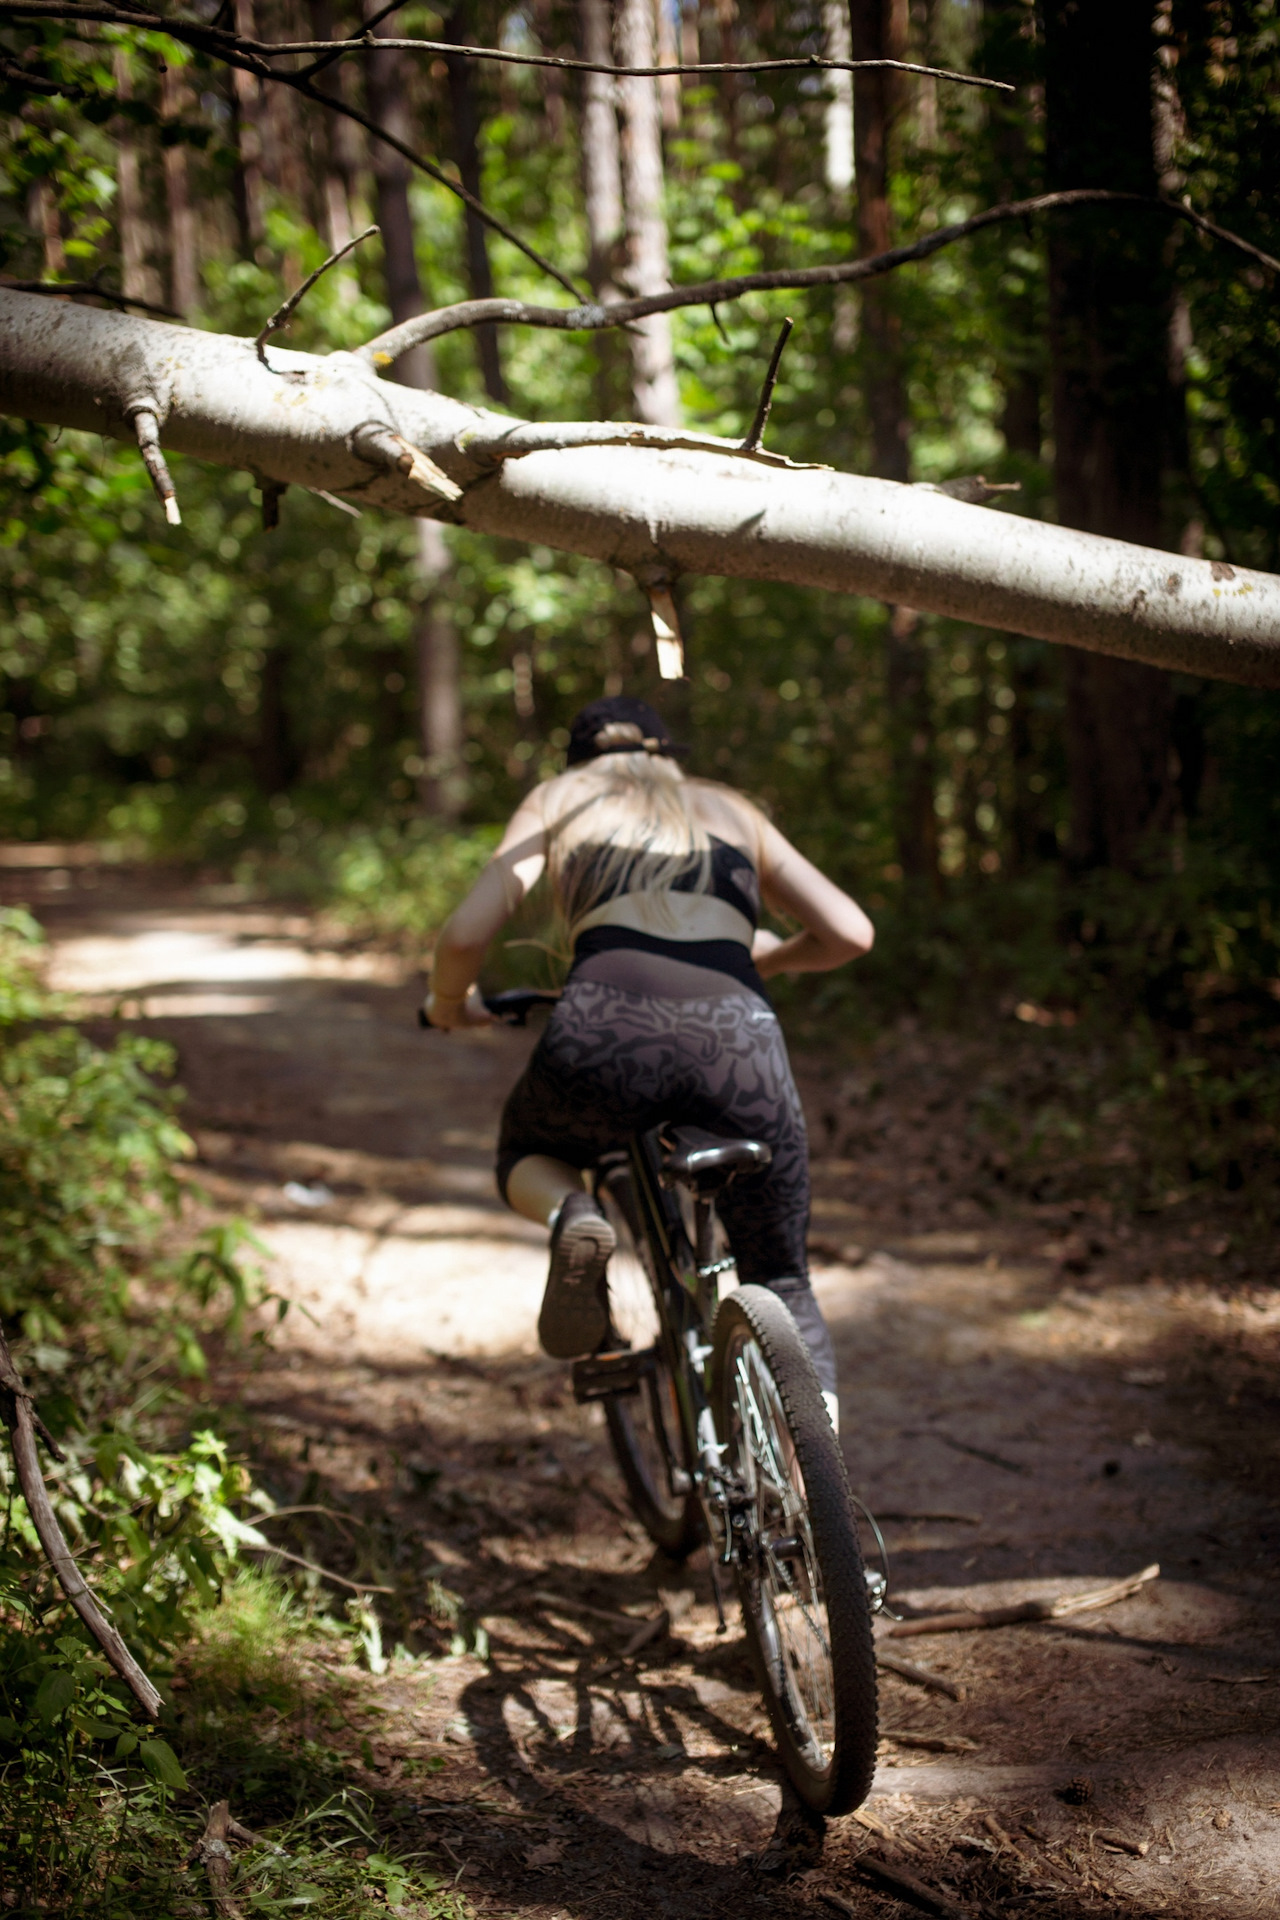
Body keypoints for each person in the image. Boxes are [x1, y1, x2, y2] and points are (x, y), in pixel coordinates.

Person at [424, 695, 874, 1428]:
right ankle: (810, 1470)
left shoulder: (560, 800)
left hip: (604, 1021)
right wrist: (767, 959)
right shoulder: (730, 808)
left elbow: (466, 935)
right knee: (782, 1275)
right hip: (739, 1036)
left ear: (579, 762)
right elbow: (851, 933)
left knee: (528, 1151)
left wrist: (449, 1004)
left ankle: (573, 1213)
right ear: (667, 756)